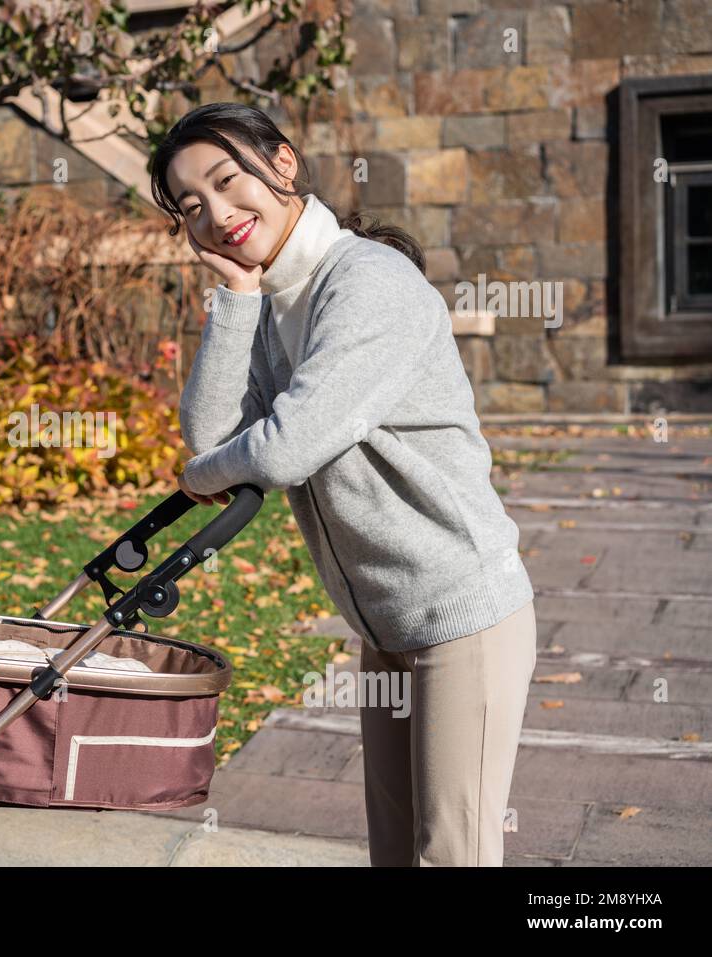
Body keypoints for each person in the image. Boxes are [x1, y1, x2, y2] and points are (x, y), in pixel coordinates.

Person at [152, 102, 538, 866]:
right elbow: (214, 434)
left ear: (283, 164)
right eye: (192, 207)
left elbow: (285, 446)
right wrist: (234, 298)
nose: (219, 215)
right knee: (395, 853)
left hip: (463, 615)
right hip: (384, 627)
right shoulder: (270, 305)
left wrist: (203, 477)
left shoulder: (369, 283)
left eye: (230, 183)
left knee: (452, 854)